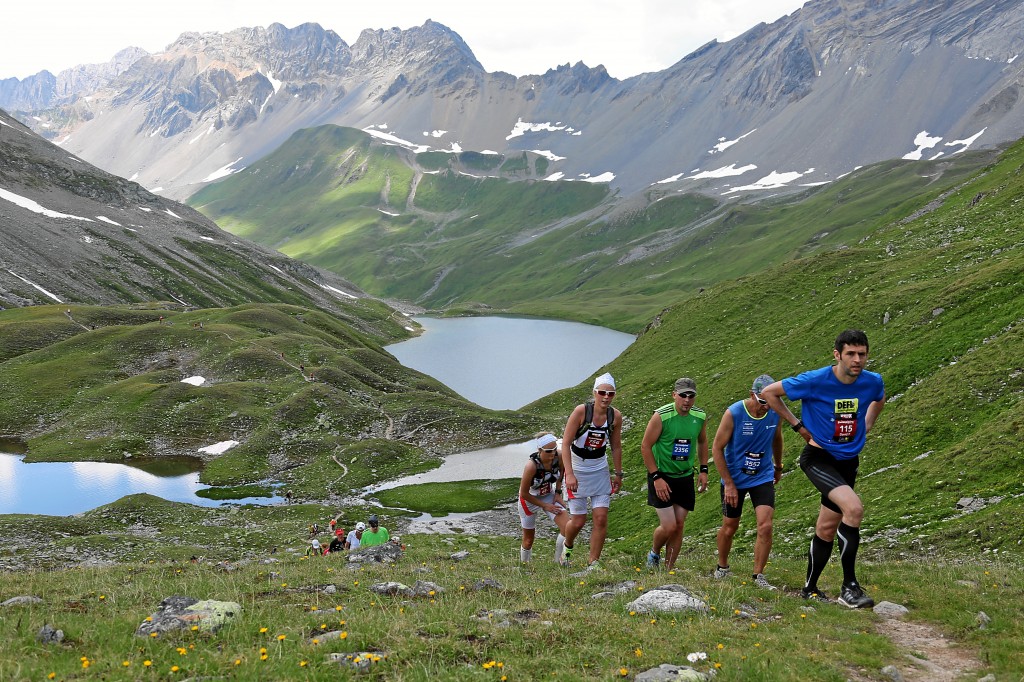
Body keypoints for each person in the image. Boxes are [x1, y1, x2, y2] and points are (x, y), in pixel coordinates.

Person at [761, 329, 886, 609]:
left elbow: (879, 398)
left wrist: (867, 425)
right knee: (853, 509)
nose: (857, 360)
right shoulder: (815, 380)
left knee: (828, 527)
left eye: (862, 354)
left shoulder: (871, 381)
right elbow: (769, 393)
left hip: (848, 460)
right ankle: (849, 587)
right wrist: (799, 427)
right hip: (818, 458)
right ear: (837, 354)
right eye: (851, 354)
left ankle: (809, 588)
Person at [711, 374, 784, 589]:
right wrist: (729, 483)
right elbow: (716, 448)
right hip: (735, 477)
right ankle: (722, 567)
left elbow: (777, 438)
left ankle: (758, 575)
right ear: (752, 395)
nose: (766, 407)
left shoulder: (775, 413)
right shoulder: (734, 413)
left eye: (771, 402)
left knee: (766, 525)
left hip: (762, 475)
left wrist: (778, 466)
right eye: (763, 402)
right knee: (730, 526)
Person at [640, 377, 709, 571]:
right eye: (682, 396)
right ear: (674, 395)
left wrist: (704, 469)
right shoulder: (661, 416)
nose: (687, 400)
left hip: (685, 476)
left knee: (679, 525)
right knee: (669, 526)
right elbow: (645, 446)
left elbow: (703, 442)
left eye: (691, 396)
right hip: (662, 476)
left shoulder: (700, 416)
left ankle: (669, 570)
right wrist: (656, 477)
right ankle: (654, 553)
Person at [560, 373, 624, 569]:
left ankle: (593, 562)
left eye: (610, 393)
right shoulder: (581, 412)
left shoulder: (615, 416)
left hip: (599, 470)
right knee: (578, 521)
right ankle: (567, 547)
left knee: (601, 517)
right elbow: (565, 444)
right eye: (602, 393)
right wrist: (569, 474)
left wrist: (619, 474)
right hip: (578, 469)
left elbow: (616, 446)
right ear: (595, 393)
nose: (606, 397)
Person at [517, 432, 570, 563]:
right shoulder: (531, 466)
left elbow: (562, 472)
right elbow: (524, 493)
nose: (552, 454)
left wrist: (558, 493)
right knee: (528, 540)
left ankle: (559, 562)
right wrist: (545, 506)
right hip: (529, 500)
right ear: (539, 450)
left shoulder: (559, 456)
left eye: (553, 450)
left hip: (548, 495)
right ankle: (525, 566)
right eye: (548, 451)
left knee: (567, 527)